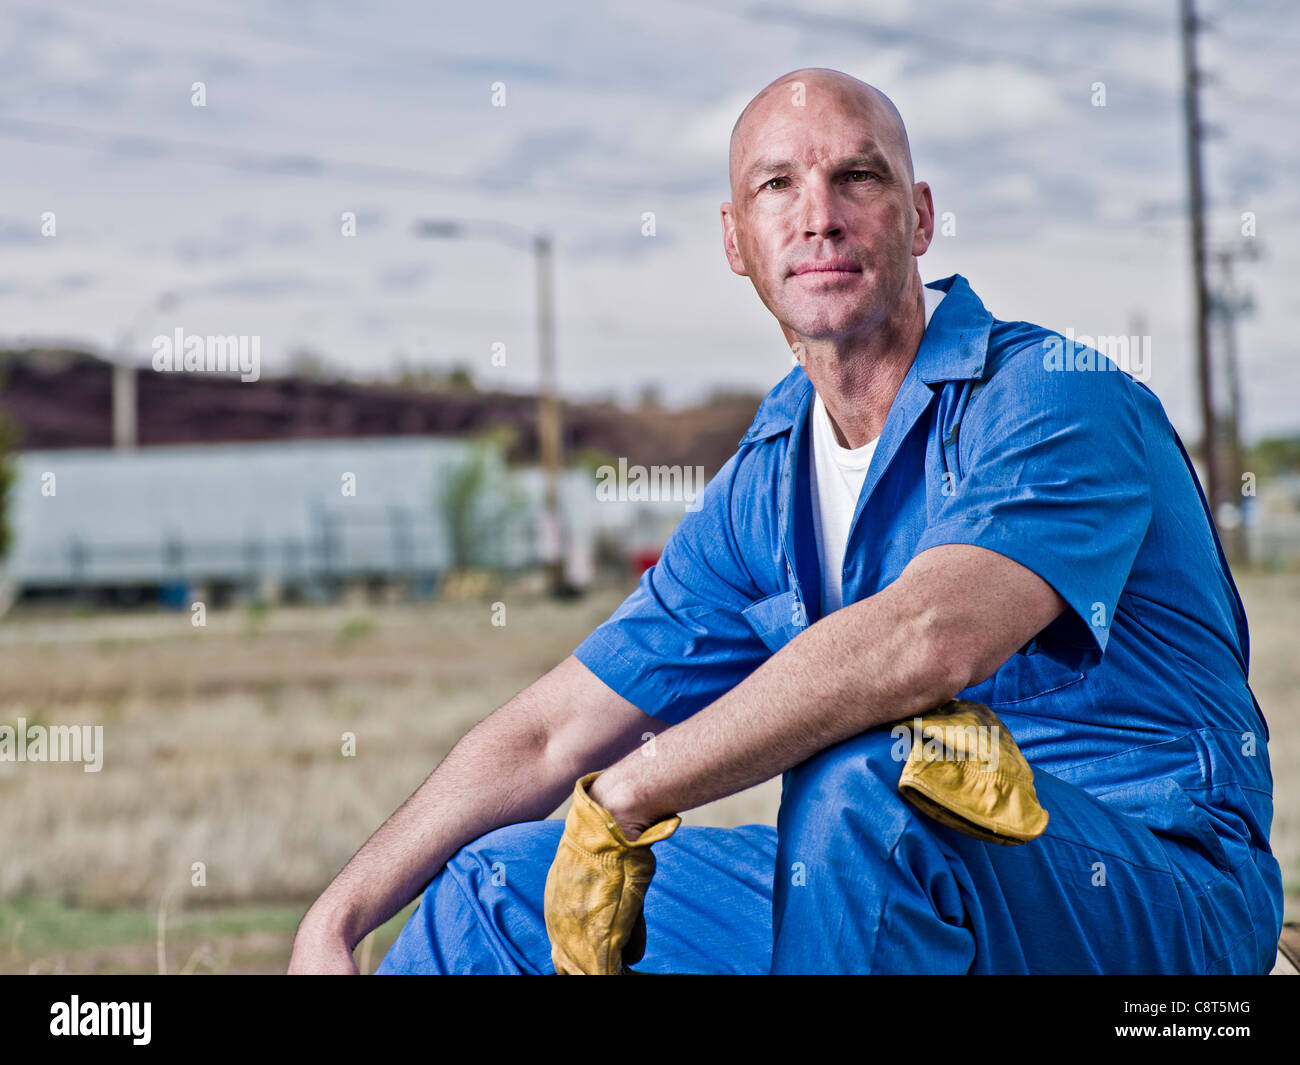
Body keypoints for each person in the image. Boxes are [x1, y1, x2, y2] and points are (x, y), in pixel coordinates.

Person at [289, 67, 1284, 975]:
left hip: (1152, 895)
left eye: (858, 177)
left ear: (919, 215)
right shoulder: (766, 487)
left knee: (877, 778)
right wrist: (336, 916)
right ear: (735, 239)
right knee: (496, 889)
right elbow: (553, 736)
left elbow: (928, 639)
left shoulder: (1052, 399)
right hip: (878, 876)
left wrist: (634, 793)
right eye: (777, 187)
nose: (819, 216)